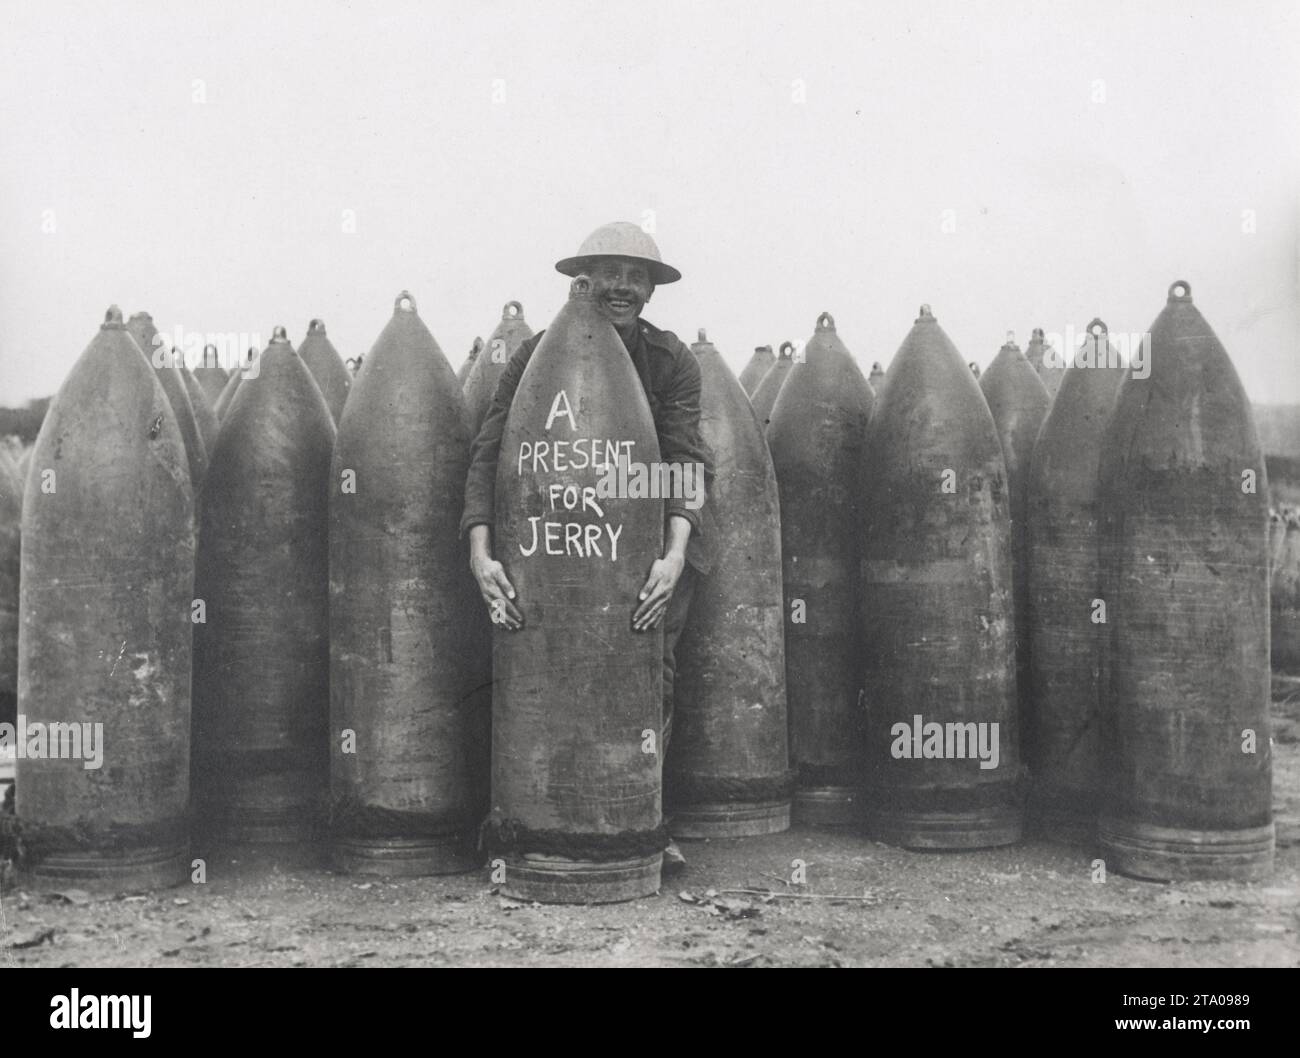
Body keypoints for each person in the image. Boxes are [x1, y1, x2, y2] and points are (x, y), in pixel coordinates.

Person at [460, 221, 714, 869]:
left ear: (652, 289)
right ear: (586, 279)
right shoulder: (538, 356)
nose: (623, 287)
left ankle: (642, 821)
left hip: (653, 552)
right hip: (552, 551)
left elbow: (687, 460)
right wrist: (481, 551)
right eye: (610, 273)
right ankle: (530, 824)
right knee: (533, 671)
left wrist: (673, 553)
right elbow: (492, 451)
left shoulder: (671, 361)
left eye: (637, 276)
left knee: (650, 676)